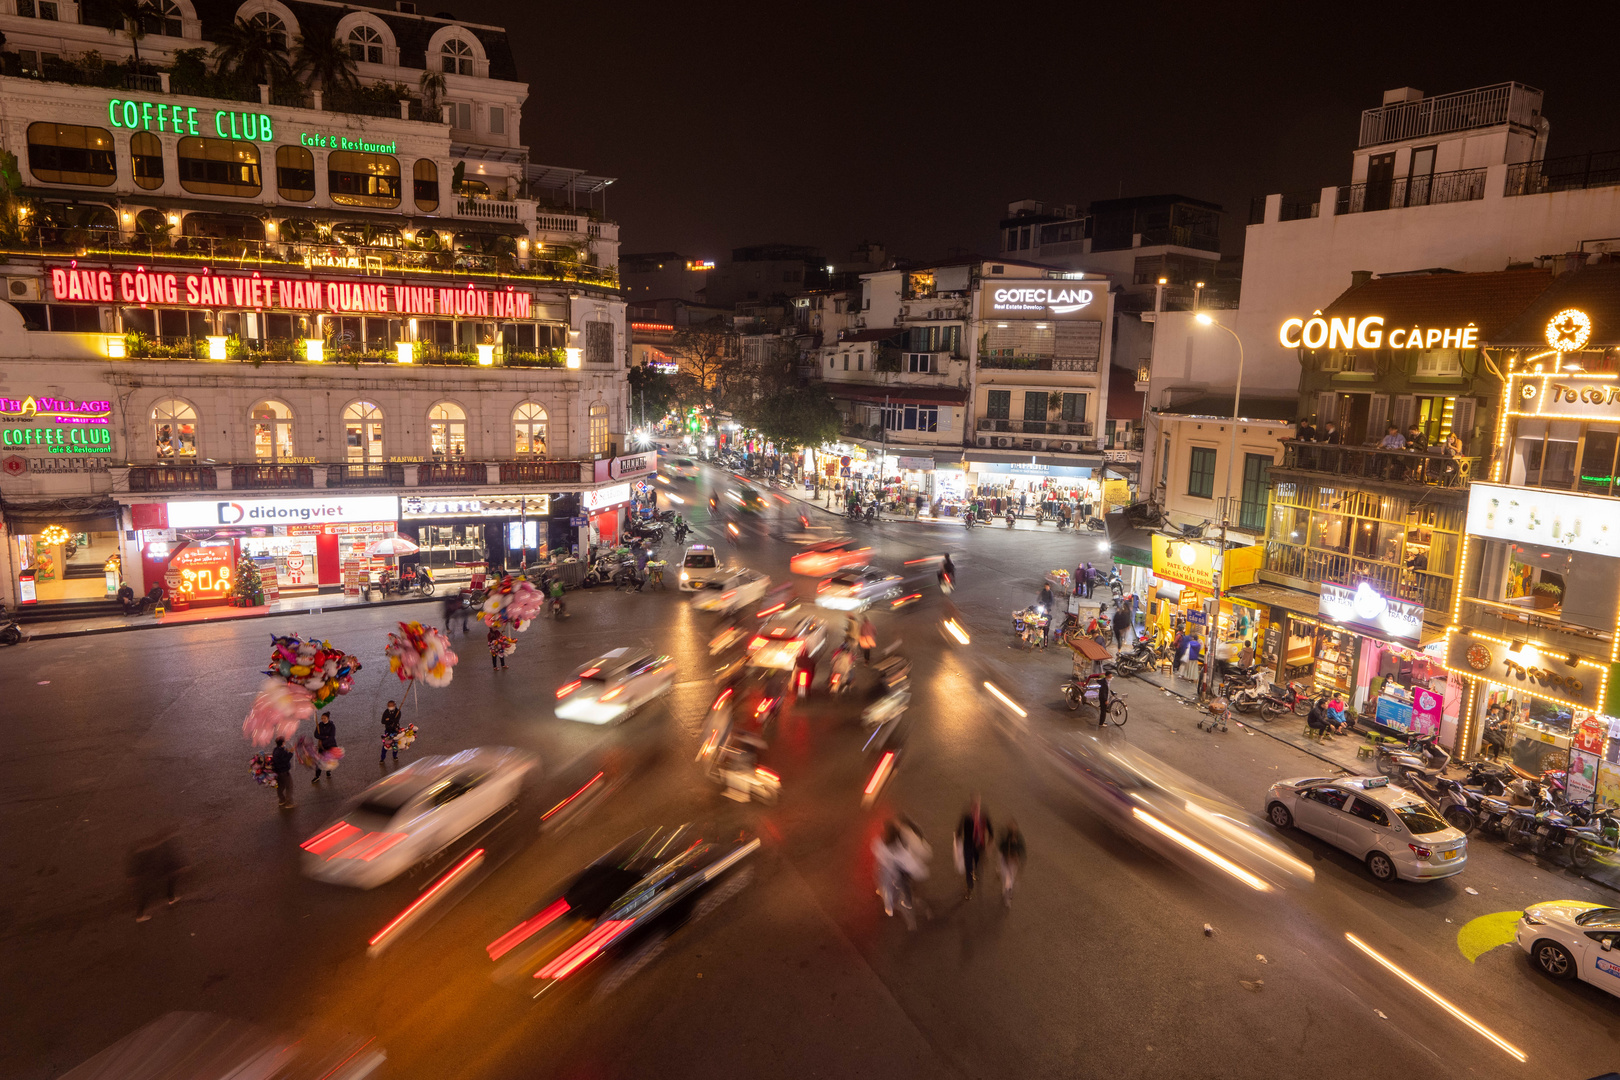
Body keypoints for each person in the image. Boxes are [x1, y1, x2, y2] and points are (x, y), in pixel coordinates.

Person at [128, 830, 186, 921]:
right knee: (147, 893)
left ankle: (171, 897)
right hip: (152, 873)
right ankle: (139, 915)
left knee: (169, 879)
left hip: (152, 872)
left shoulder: (149, 847)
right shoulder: (158, 847)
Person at [955, 797, 993, 898]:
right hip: (968, 846)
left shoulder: (984, 818)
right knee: (968, 868)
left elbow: (991, 833)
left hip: (980, 847)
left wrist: (989, 847)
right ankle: (969, 887)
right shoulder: (966, 817)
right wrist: (957, 844)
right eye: (974, 806)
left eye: (978, 806)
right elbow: (958, 832)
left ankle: (976, 872)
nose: (976, 809)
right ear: (971, 807)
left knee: (977, 862)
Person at [997, 821, 1026, 907]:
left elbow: (1022, 851)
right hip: (1005, 860)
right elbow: (1000, 848)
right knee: (1004, 877)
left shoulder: (1019, 839)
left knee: (1010, 880)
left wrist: (1019, 859)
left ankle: (1008, 896)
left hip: (1013, 863)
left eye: (1014, 828)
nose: (1013, 830)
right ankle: (1006, 890)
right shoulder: (1005, 836)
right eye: (1011, 828)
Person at [312, 712, 337, 783]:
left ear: (328, 718)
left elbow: (332, 736)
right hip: (322, 746)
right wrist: (324, 737)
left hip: (330, 745)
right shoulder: (319, 725)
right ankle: (317, 776)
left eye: (324, 718)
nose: (322, 719)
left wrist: (324, 738)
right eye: (322, 718)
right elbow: (316, 735)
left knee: (329, 760)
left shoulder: (332, 725)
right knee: (319, 761)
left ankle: (328, 771)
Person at [271, 736, 295, 808]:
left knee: (280, 786)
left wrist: (286, 750)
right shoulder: (282, 752)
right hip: (284, 772)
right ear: (283, 743)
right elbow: (285, 760)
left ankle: (282, 800)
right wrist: (290, 752)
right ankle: (289, 803)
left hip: (277, 772)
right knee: (289, 786)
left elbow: (281, 756)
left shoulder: (275, 750)